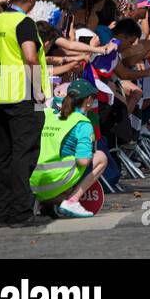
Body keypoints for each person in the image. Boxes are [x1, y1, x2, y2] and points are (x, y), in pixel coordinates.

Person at [0, 0, 49, 228]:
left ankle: (1, 213)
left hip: (0, 95)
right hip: (25, 95)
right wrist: (38, 91)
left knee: (3, 155)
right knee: (25, 153)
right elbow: (31, 57)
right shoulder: (24, 22)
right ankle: (21, 212)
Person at [29, 78, 106, 219]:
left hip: (32, 181)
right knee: (101, 157)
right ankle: (72, 201)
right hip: (53, 181)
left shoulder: (48, 114)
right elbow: (83, 161)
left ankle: (50, 202)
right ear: (88, 100)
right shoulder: (83, 123)